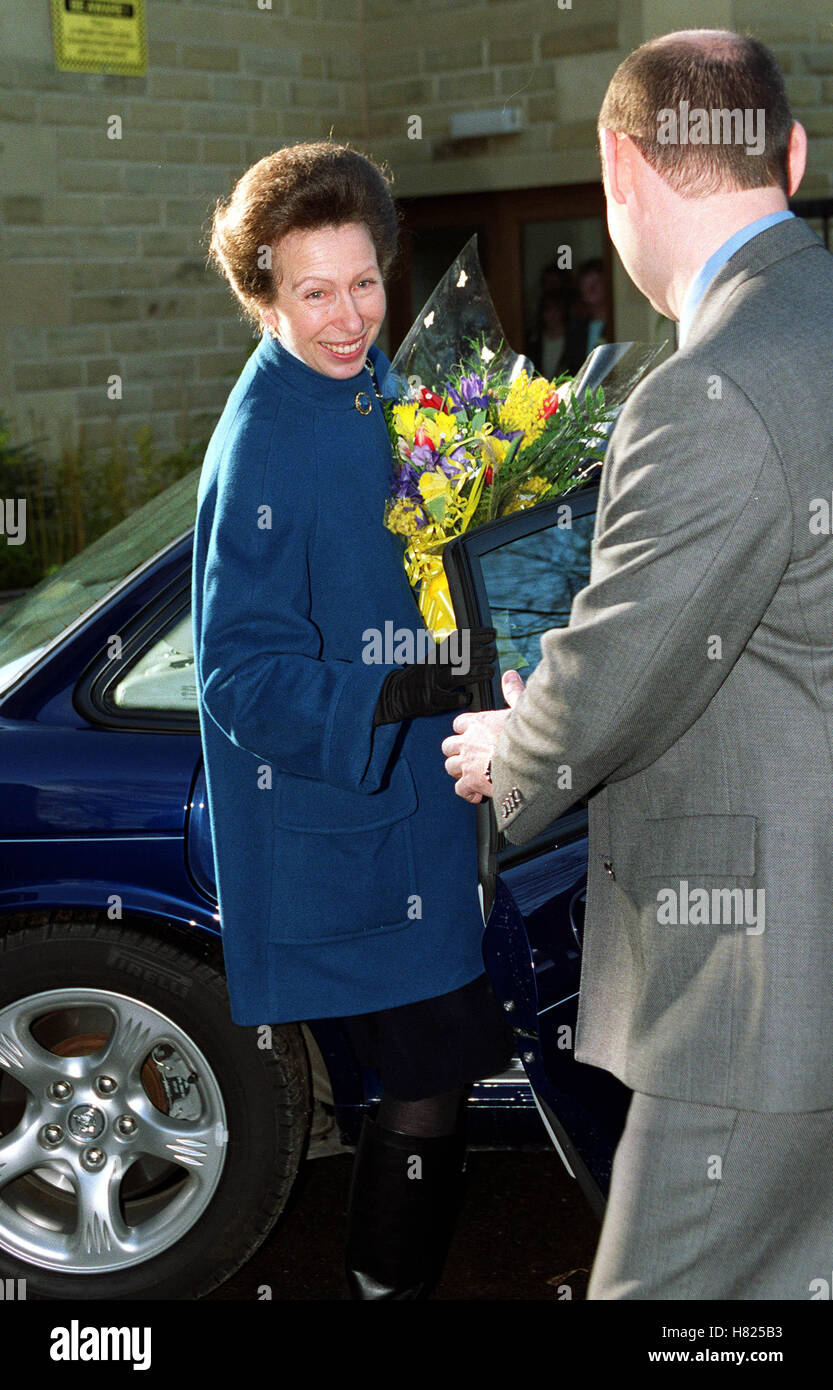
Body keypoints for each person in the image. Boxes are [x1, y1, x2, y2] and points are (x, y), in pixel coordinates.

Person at [442, 29, 833, 1299]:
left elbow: (617, 670)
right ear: (790, 151)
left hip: (762, 992)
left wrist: (510, 749)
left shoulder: (706, 384)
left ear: (619, 164)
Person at [192, 142, 513, 1300]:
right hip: (346, 831)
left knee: (439, 1081)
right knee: (430, 1081)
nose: (346, 315)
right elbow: (236, 673)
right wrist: (409, 686)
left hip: (419, 812)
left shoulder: (381, 381)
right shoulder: (265, 433)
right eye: (313, 292)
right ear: (263, 294)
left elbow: (427, 571)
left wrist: (499, 642)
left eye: (364, 281)